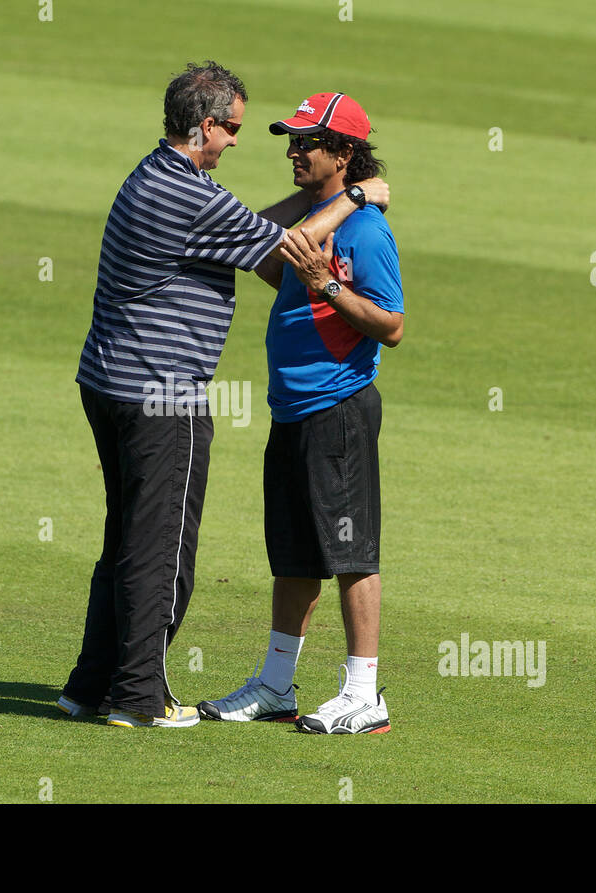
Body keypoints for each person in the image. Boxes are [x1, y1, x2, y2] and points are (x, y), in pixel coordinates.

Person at [58, 68, 391, 728]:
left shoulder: (156, 175)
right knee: (163, 552)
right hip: (161, 394)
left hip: (111, 382)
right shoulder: (189, 194)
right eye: (233, 127)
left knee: (127, 540)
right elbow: (286, 252)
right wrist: (354, 195)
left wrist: (330, 197)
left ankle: (90, 685)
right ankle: (137, 696)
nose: (239, 141)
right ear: (204, 126)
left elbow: (259, 230)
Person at [198, 93, 404, 734]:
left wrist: (329, 286)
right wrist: (350, 197)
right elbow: (253, 249)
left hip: (337, 410)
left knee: (352, 555)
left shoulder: (366, 233)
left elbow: (392, 325)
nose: (291, 151)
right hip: (290, 410)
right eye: (290, 140)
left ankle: (364, 694)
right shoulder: (316, 224)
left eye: (305, 143)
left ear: (342, 152)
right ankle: (276, 685)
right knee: (291, 556)